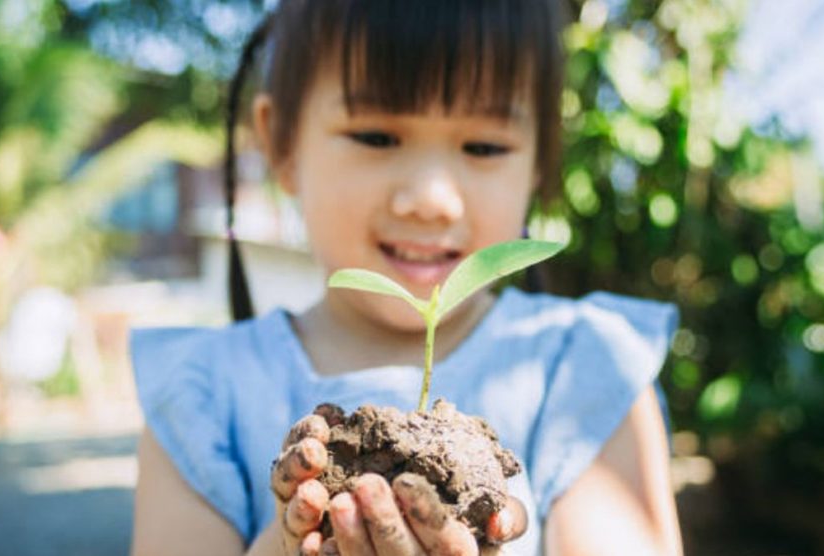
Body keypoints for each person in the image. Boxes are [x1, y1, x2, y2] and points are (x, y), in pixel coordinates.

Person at [130, 1, 683, 555]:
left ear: (541, 158)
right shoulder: (200, 396)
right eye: (376, 136)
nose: (431, 200)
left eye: (484, 146)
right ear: (281, 143)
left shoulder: (586, 370)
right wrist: (287, 543)